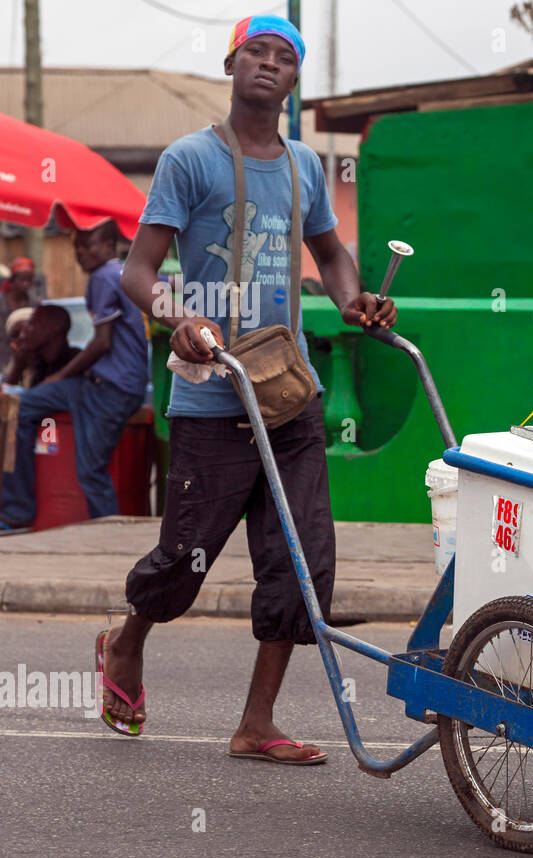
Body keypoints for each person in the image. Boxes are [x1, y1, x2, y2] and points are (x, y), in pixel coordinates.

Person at [96, 15, 395, 765]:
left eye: (283, 57)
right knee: (184, 557)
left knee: (302, 562)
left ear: (295, 79)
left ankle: (255, 723)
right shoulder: (187, 160)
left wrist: (353, 298)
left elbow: (330, 253)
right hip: (212, 396)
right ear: (231, 65)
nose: (268, 64)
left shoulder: (302, 166)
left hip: (289, 395)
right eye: (255, 53)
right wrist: (179, 316)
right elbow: (139, 272)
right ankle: (125, 641)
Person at [0, 226, 149, 532]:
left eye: (87, 245)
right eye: (76, 247)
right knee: (19, 408)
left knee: (91, 472)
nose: (81, 253)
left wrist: (59, 376)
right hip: (92, 385)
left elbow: (102, 342)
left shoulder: (105, 277)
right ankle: (16, 513)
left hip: (111, 389)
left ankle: (110, 537)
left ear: (109, 244)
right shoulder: (116, 274)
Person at [3, 304, 80, 389]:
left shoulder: (76, 363)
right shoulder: (40, 366)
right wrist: (18, 369)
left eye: (31, 324)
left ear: (53, 327)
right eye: (15, 335)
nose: (22, 336)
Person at [0, 257, 42, 370]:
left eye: (29, 280)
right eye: (22, 279)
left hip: (26, 361)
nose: (26, 284)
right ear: (12, 281)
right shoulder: (2, 302)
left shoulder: (34, 304)